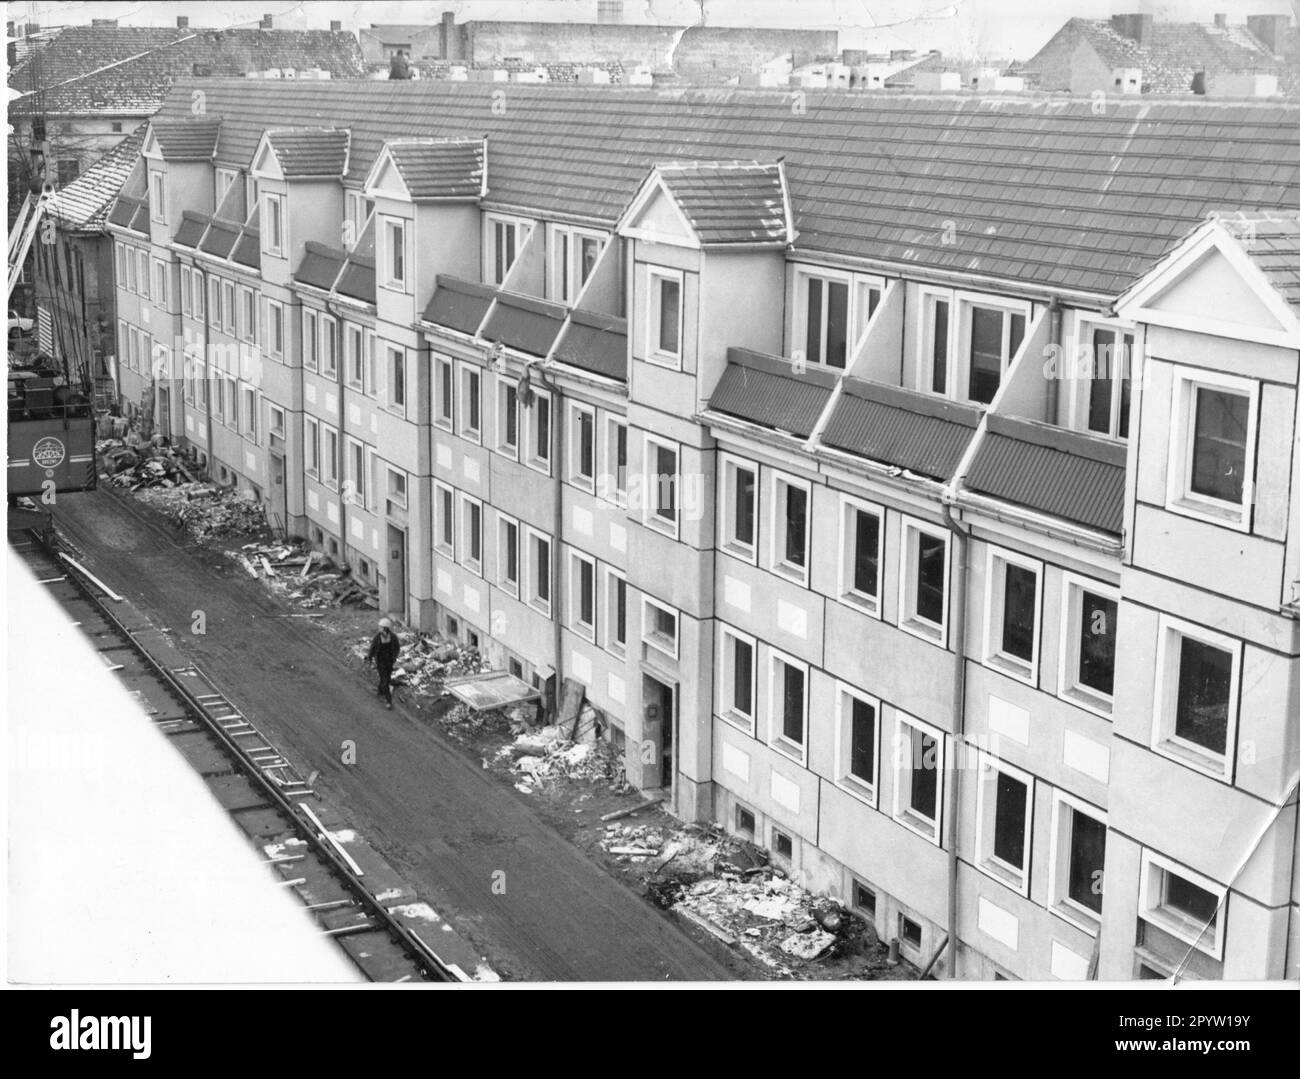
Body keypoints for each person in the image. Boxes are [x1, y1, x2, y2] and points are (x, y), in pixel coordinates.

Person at [365, 618, 401, 709]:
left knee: (386, 678)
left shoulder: (392, 637)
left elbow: (397, 648)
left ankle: (380, 691)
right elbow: (373, 648)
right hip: (380, 661)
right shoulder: (378, 637)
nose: (379, 628)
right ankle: (388, 700)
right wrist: (369, 658)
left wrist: (394, 657)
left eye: (381, 627)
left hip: (389, 661)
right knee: (385, 680)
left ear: (385, 628)